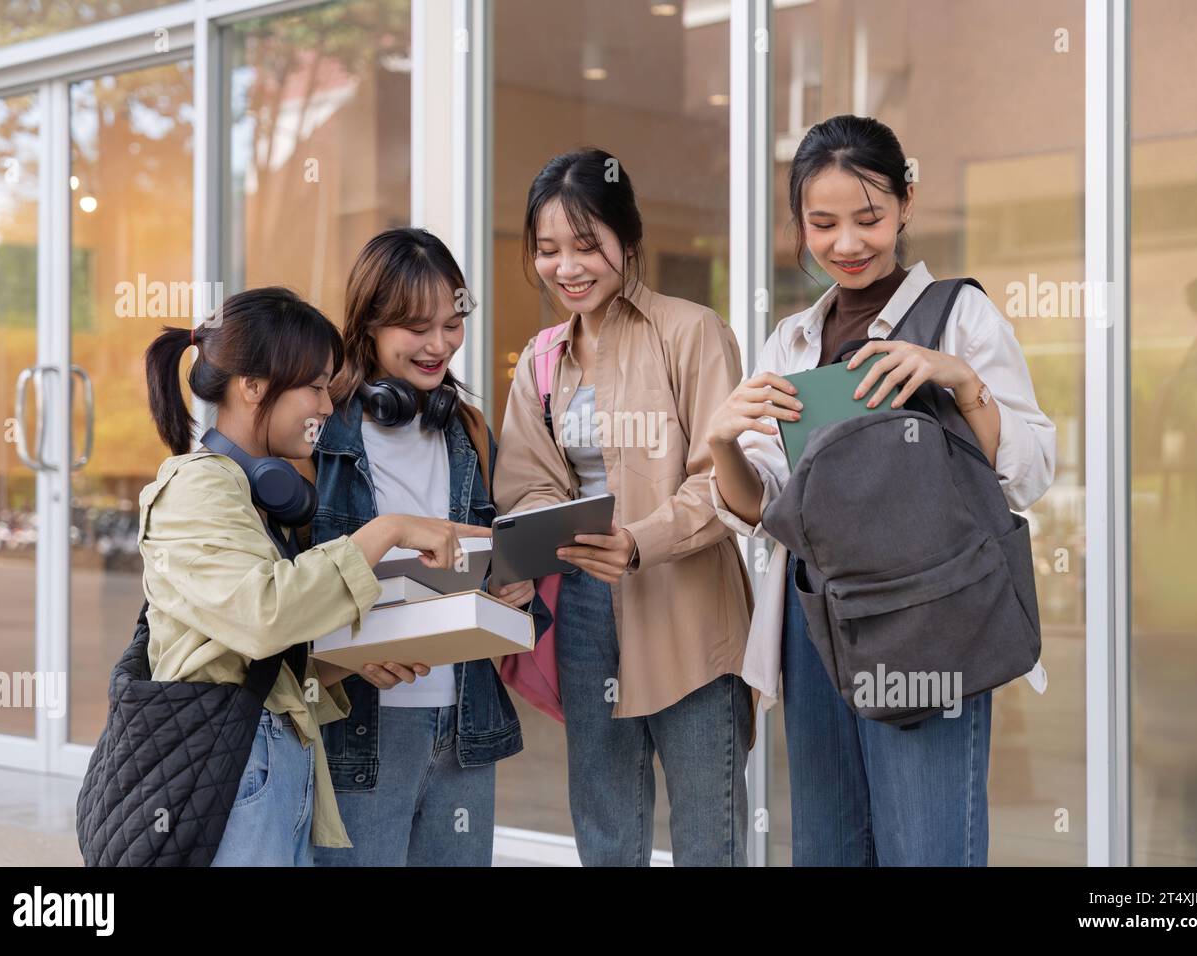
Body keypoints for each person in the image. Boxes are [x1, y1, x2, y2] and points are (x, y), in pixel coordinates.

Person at [708, 114, 1056, 866]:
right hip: (817, 622)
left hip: (931, 619)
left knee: (927, 848)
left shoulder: (961, 317)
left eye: (868, 219)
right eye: (822, 224)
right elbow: (764, 508)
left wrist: (961, 381)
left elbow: (1031, 472)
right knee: (831, 850)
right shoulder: (792, 341)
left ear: (905, 204)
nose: (846, 244)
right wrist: (721, 444)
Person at [139, 286, 484, 866]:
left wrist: (351, 658)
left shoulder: (258, 495)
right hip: (234, 761)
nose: (328, 406)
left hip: (278, 756)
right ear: (252, 385)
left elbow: (257, 655)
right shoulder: (196, 486)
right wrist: (388, 530)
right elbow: (263, 617)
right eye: (316, 386)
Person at [495, 148, 754, 866]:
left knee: (710, 829)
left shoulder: (692, 332)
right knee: (605, 823)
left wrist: (639, 540)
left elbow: (722, 481)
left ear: (627, 241)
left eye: (586, 245)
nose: (566, 267)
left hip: (688, 605)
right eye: (548, 250)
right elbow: (528, 482)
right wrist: (546, 530)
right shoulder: (542, 358)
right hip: (583, 607)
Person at [311, 228, 539, 867]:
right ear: (369, 327)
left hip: (465, 723)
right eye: (416, 327)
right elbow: (289, 587)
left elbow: (486, 556)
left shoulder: (466, 430)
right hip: (361, 725)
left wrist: (512, 589)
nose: (440, 344)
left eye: (452, 322)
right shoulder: (322, 434)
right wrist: (347, 648)